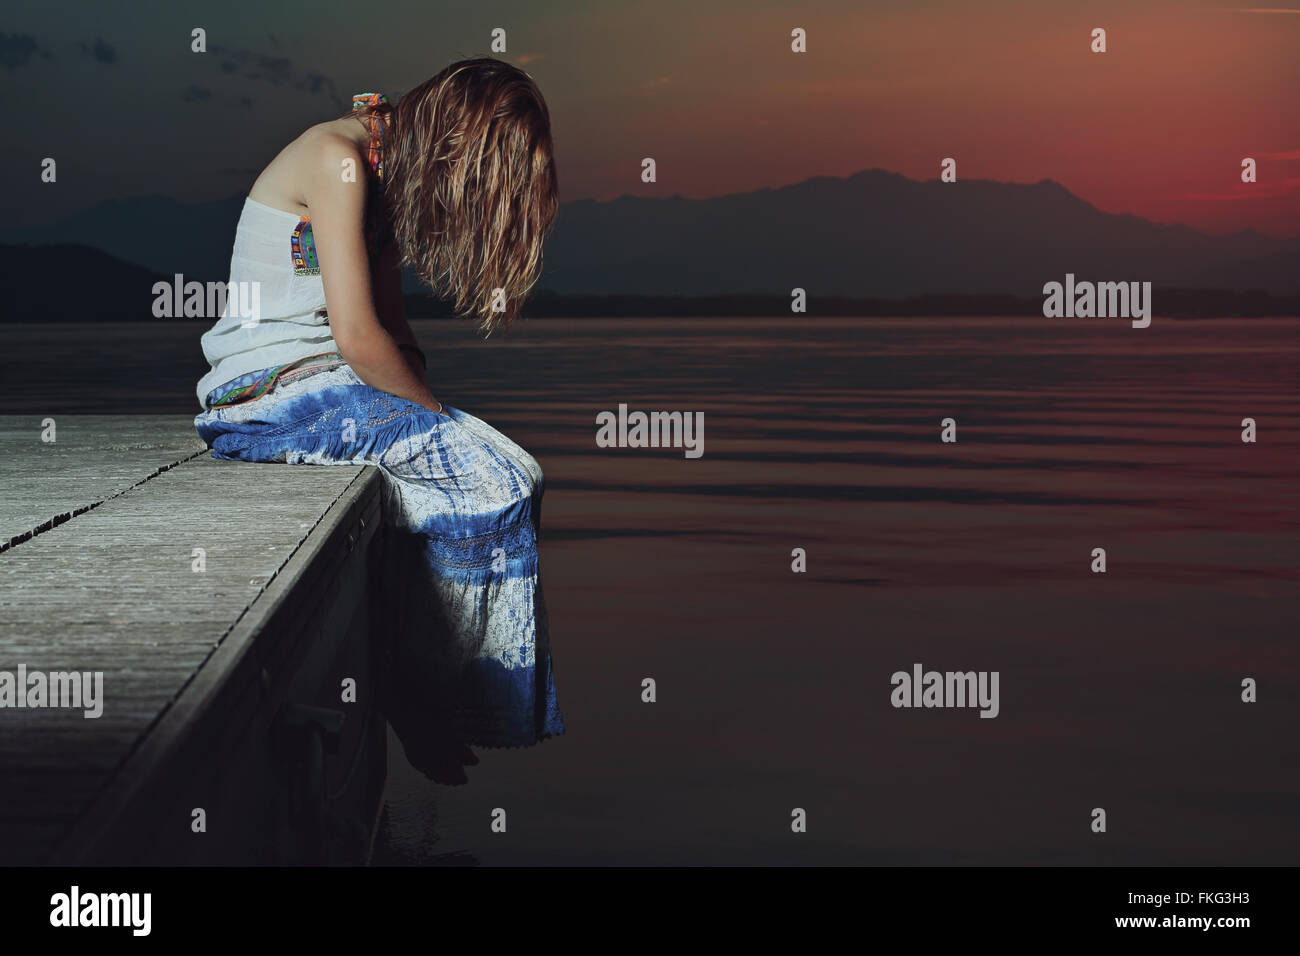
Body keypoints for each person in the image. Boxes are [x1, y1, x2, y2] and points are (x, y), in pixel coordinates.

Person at [193, 58, 565, 784]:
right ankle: (430, 692)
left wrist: (436, 416)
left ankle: (410, 679)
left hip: (331, 390)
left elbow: (392, 330)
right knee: (496, 478)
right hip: (267, 399)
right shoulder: (337, 162)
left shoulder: (376, 174)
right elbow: (360, 337)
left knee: (505, 471)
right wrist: (444, 429)